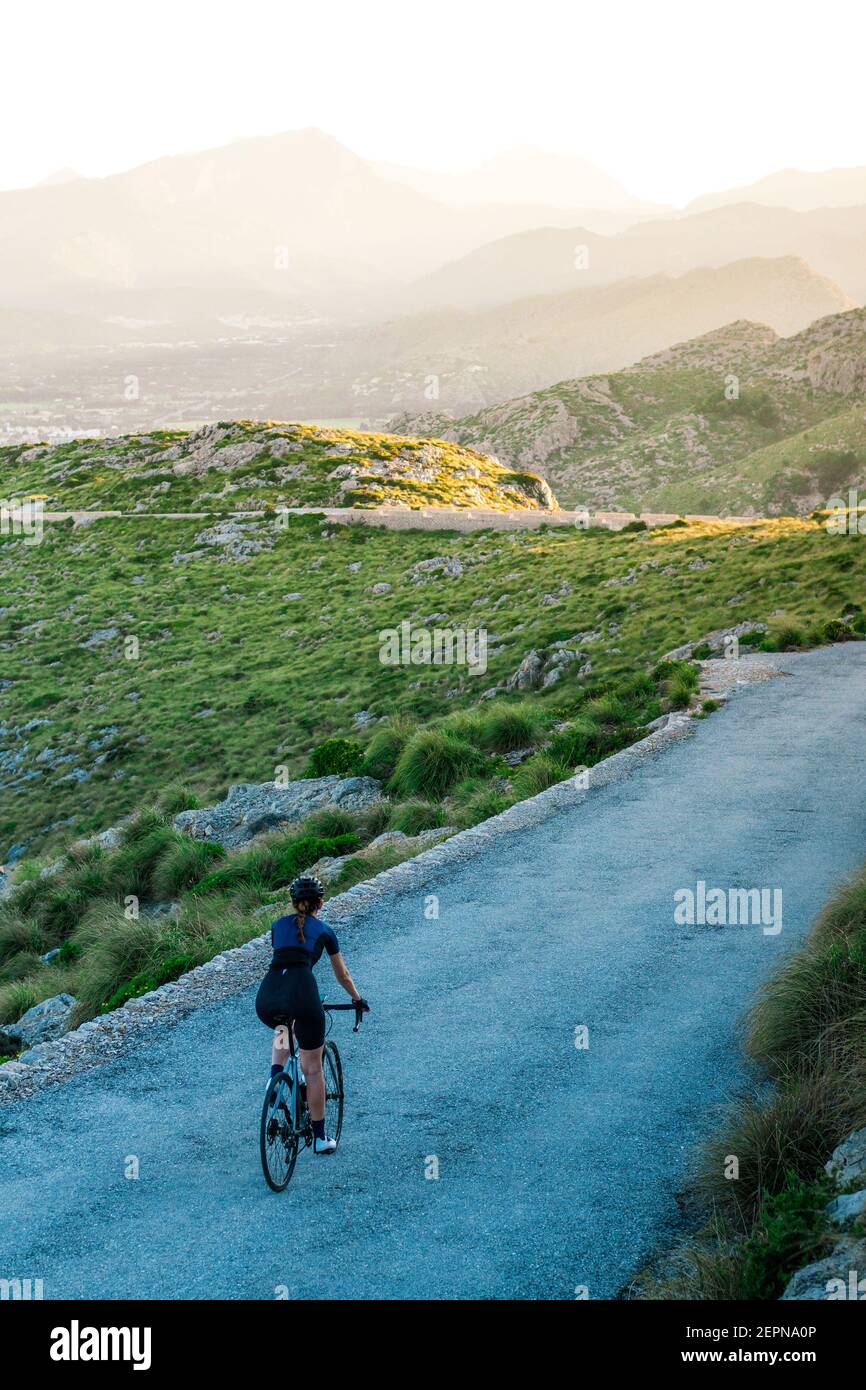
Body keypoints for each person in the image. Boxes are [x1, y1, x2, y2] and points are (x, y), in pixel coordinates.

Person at [255, 874, 367, 1155]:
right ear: (321, 902)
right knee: (313, 1068)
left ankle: (275, 1077)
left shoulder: (277, 925)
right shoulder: (325, 930)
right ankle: (319, 1138)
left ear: (293, 903)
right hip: (302, 993)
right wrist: (357, 998)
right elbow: (342, 974)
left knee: (284, 1025)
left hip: (268, 994)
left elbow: (287, 954)